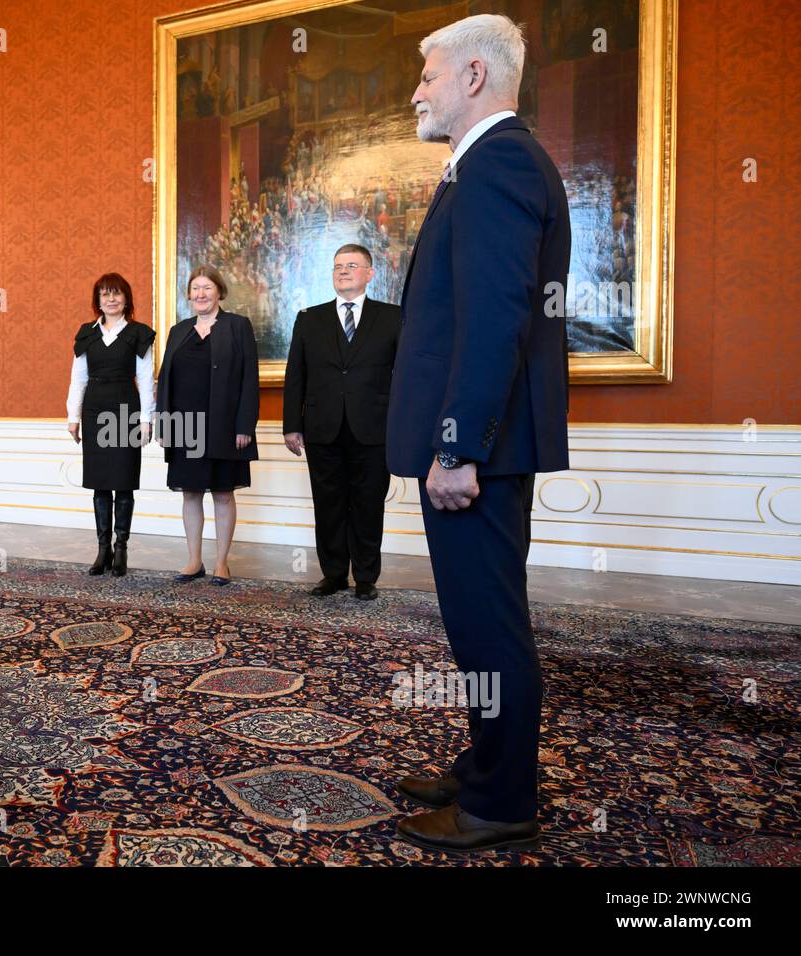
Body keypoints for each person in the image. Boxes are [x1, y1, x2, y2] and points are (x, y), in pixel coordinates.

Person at [387, 14, 571, 851]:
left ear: (470, 76)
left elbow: (496, 321)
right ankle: (486, 763)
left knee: (489, 624)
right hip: (479, 445)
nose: (416, 91)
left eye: (426, 75)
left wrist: (457, 446)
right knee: (477, 621)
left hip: (478, 452)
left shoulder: (497, 162)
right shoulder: (488, 164)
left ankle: (501, 803)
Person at [283, 243, 400, 600]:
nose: (343, 271)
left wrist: (404, 425)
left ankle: (366, 577)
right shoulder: (309, 318)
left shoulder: (393, 317)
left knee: (367, 503)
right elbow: (295, 376)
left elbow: (406, 376)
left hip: (375, 428)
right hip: (322, 428)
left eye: (352, 265)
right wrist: (291, 424)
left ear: (370, 273)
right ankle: (333, 574)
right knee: (328, 503)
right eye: (337, 266)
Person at [156, 265, 259, 586]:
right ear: (189, 295)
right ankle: (194, 561)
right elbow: (165, 381)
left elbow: (249, 380)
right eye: (195, 289)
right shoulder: (179, 330)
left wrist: (245, 425)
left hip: (225, 426)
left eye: (207, 288)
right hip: (184, 426)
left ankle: (222, 563)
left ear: (219, 292)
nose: (201, 294)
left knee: (224, 494)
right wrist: (165, 425)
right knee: (190, 494)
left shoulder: (237, 326)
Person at [66, 273, 155, 576]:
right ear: (98, 301)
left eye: (116, 294)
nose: (111, 299)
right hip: (94, 410)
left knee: (124, 481)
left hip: (126, 409)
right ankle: (102, 549)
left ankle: (121, 549)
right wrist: (73, 417)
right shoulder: (86, 334)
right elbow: (78, 379)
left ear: (126, 299)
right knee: (100, 483)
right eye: (105, 294)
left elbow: (145, 380)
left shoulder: (138, 334)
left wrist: (146, 419)